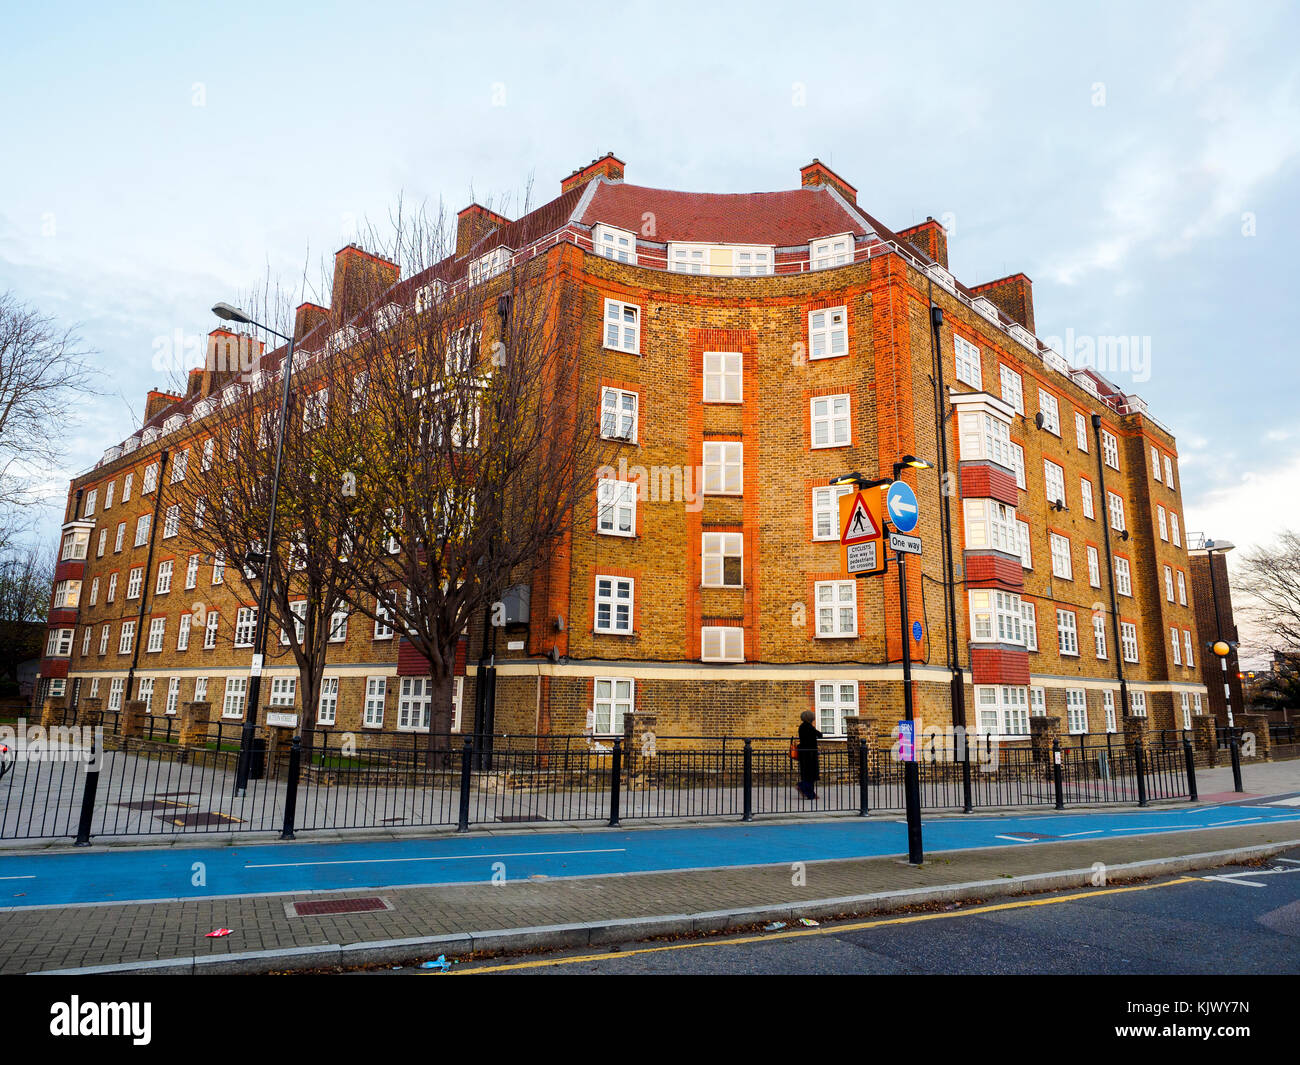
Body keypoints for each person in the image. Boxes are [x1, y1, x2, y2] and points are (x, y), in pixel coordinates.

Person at [796, 710, 822, 800]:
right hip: (810, 754)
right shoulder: (809, 727)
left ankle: (810, 792)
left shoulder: (802, 727)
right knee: (811, 774)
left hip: (804, 753)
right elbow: (820, 735)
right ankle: (805, 789)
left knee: (807, 774)